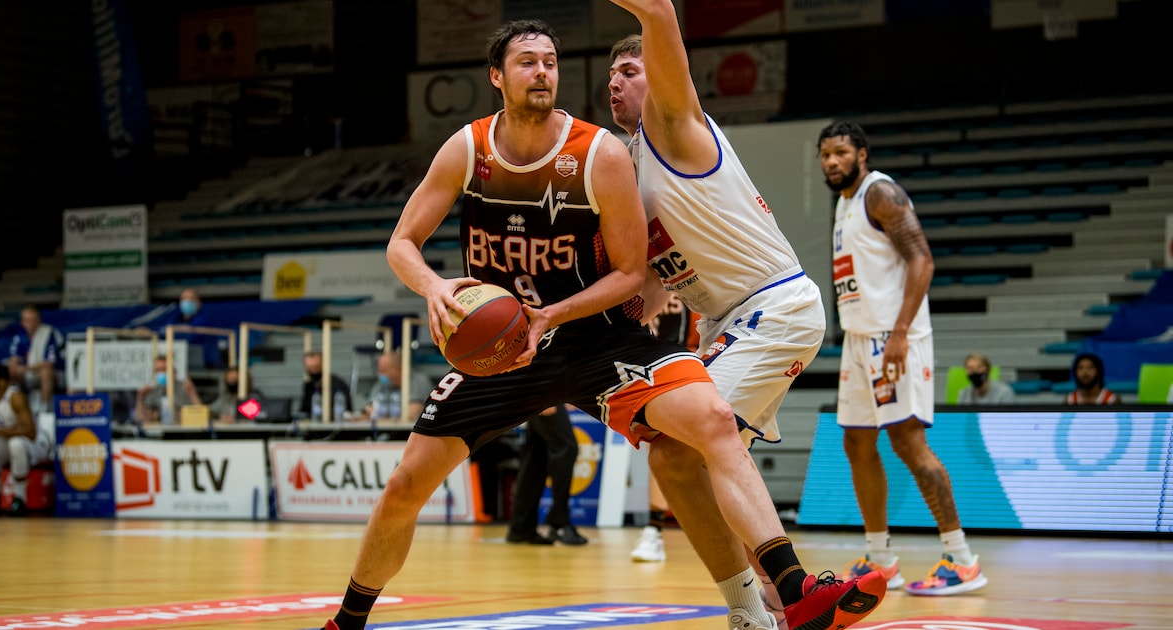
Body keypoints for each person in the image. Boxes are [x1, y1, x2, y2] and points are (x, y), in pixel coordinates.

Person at [320, 20, 883, 630]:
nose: (541, 72)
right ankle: (346, 621)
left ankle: (785, 592)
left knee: (710, 423)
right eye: (527, 62)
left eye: (551, 62)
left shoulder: (600, 152)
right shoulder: (469, 148)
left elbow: (628, 271)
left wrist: (555, 314)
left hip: (595, 338)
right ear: (496, 76)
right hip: (503, 347)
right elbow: (402, 241)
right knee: (405, 485)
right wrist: (432, 287)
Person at [607, 4, 869, 627]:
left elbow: (662, 13)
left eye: (629, 69)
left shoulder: (674, 123)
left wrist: (649, 21)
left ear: (658, 78)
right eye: (610, 76)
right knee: (686, 460)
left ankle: (767, 603)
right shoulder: (631, 165)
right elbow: (643, 280)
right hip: (731, 321)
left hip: (772, 307)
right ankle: (780, 608)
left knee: (678, 452)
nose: (615, 82)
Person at [819, 120, 988, 596]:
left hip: (893, 337)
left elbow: (922, 260)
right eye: (825, 155)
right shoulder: (844, 201)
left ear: (862, 154)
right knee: (856, 442)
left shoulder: (880, 193)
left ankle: (962, 559)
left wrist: (898, 333)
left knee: (907, 443)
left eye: (840, 153)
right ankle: (881, 560)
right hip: (858, 338)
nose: (832, 162)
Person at [632, 295, 696, 563]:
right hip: (645, 368)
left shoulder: (688, 276)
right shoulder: (631, 273)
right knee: (661, 445)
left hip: (688, 363)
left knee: (720, 451)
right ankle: (653, 528)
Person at [0, 364, 53, 515]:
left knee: (16, 443)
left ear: (3, 382)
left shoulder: (15, 397)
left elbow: (30, 432)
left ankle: (19, 499)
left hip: (35, 444)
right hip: (6, 441)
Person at [505, 405, 587, 546]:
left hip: (542, 392)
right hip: (543, 391)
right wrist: (544, 399)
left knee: (536, 456)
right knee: (566, 448)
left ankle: (521, 527)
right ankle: (558, 523)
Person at [7, 305, 64, 415]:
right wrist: (14, 366)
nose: (31, 324)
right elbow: (14, 358)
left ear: (39, 321)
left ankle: (45, 407)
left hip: (55, 374)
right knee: (9, 370)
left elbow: (49, 363)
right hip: (27, 373)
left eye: (33, 320)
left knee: (45, 372)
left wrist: (26, 368)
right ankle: (12, 407)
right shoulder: (20, 337)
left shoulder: (49, 333)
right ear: (22, 322)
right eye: (27, 320)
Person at [363, 351, 433, 424]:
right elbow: (368, 409)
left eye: (383, 371)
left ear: (399, 370)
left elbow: (412, 412)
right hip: (384, 430)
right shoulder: (382, 383)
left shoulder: (419, 381)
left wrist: (380, 412)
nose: (380, 375)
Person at [134, 355, 202, 426]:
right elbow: (141, 421)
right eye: (158, 370)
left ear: (174, 372)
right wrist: (140, 398)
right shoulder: (151, 391)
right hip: (159, 433)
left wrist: (192, 394)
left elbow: (200, 416)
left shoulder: (184, 388)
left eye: (164, 370)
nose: (161, 373)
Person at [299, 351, 352, 420]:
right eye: (309, 368)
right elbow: (304, 410)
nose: (312, 371)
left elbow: (343, 410)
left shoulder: (336, 384)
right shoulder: (309, 386)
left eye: (315, 367)